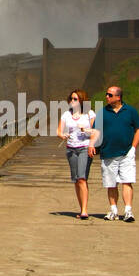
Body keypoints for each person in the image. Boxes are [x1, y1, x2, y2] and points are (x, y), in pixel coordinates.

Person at [88, 85, 139, 221]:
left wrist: (134, 147)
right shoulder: (102, 112)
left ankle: (128, 211)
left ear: (118, 97)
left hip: (126, 153)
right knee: (110, 183)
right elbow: (96, 130)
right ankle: (113, 210)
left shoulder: (130, 111)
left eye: (110, 95)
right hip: (108, 153)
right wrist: (91, 144)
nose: (107, 97)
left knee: (127, 181)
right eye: (106, 94)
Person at [56, 89, 96, 219]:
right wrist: (63, 135)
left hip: (84, 147)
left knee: (82, 178)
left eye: (75, 99)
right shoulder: (66, 115)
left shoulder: (89, 114)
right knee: (76, 180)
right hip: (71, 149)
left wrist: (85, 129)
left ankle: (84, 210)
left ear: (82, 100)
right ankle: (81, 208)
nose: (72, 101)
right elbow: (58, 131)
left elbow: (95, 131)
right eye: (71, 99)